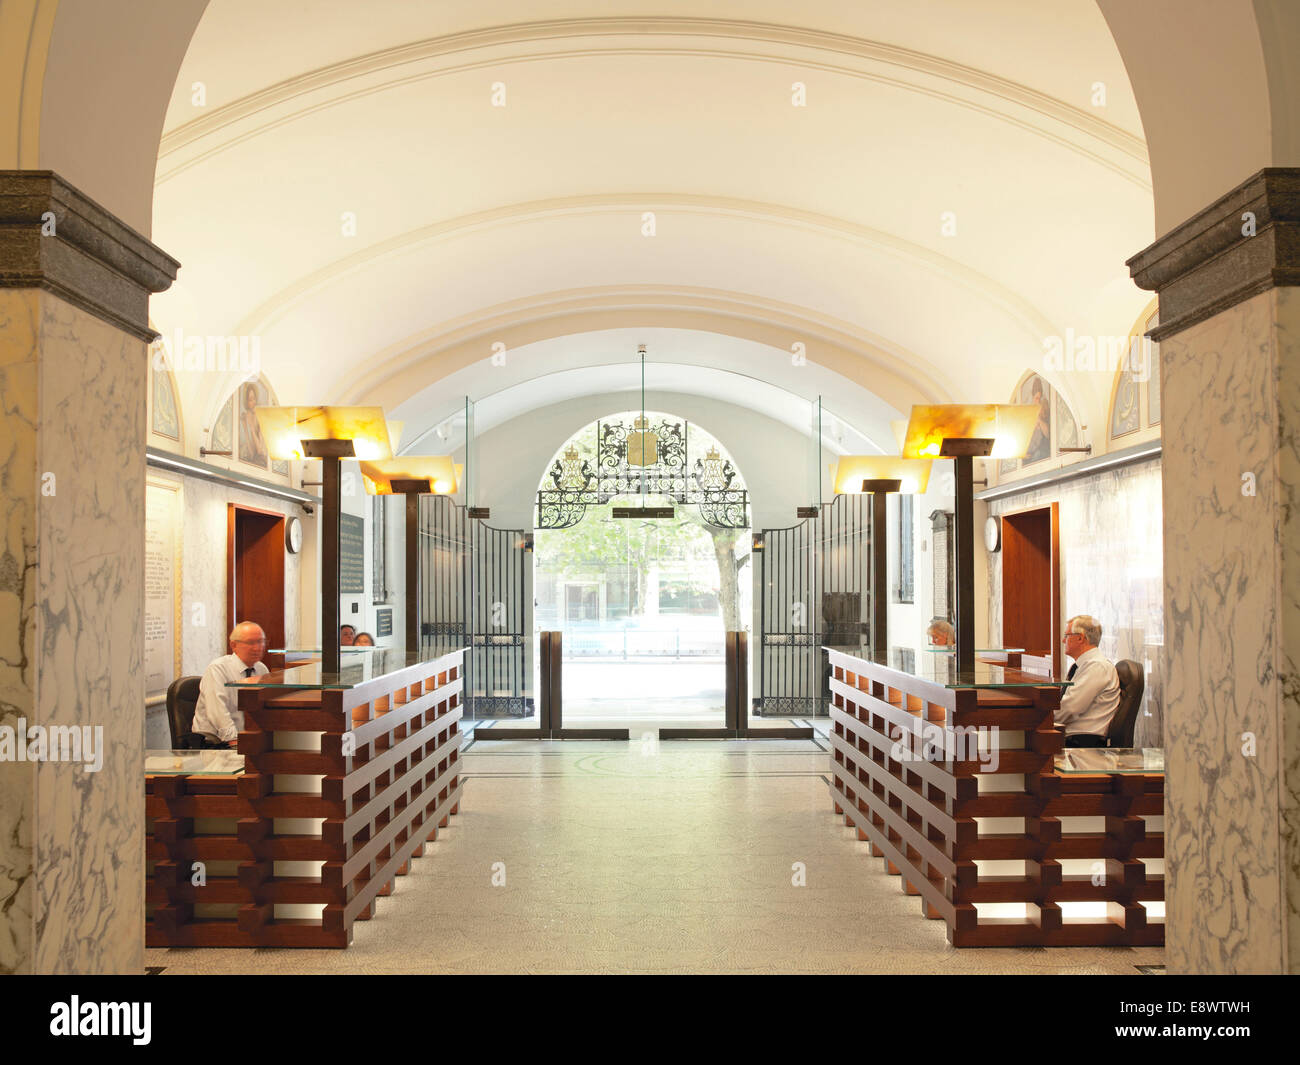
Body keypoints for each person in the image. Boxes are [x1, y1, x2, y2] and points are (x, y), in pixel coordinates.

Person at [192, 622, 270, 747]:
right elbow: (217, 712)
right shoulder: (218, 669)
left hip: (248, 739)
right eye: (251, 643)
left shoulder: (262, 669)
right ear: (234, 645)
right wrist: (235, 741)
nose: (258, 648)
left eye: (261, 641)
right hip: (216, 742)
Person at [1056, 615, 1120, 747]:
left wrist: (1040, 719)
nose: (1063, 640)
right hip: (1071, 737)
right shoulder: (1086, 665)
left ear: (1080, 638)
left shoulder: (1097, 666)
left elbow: (1070, 707)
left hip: (1081, 742)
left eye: (1066, 636)